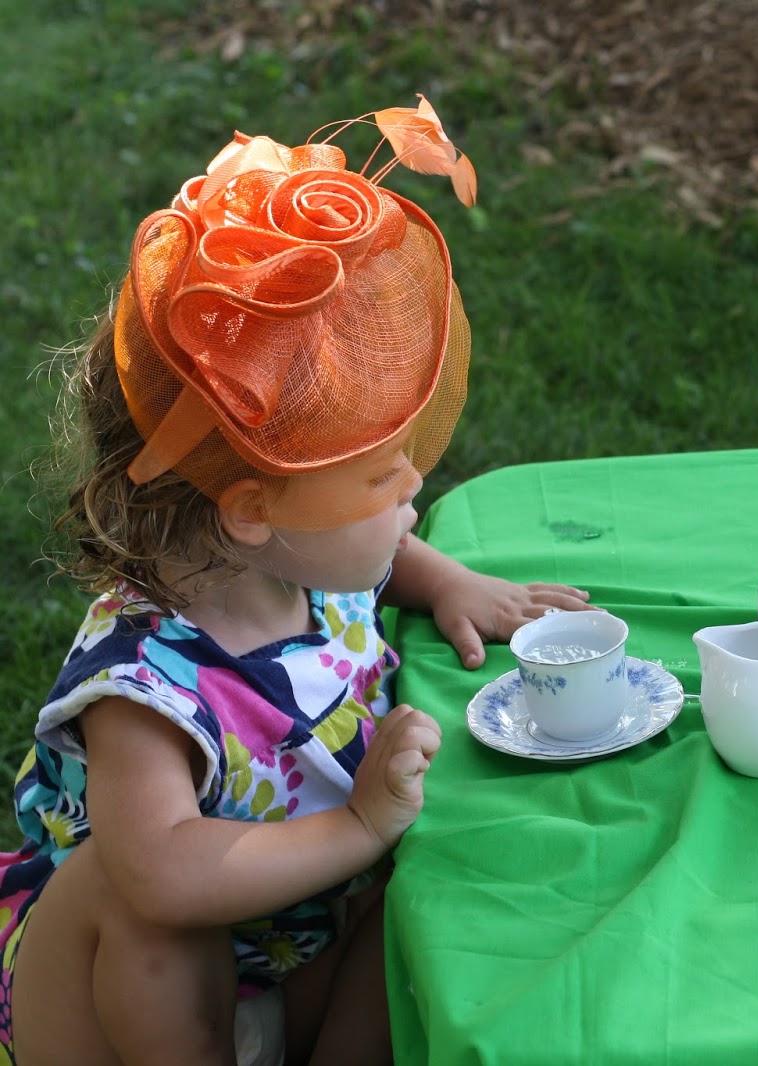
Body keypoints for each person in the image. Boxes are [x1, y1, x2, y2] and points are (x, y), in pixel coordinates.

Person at [0, 98, 593, 1065]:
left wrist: (445, 582)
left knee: (421, 908)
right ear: (250, 510)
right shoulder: (145, 692)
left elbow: (370, 554)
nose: (415, 484)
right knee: (125, 890)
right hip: (116, 1005)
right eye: (378, 473)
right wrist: (361, 824)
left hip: (286, 951)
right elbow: (160, 878)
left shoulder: (306, 555)